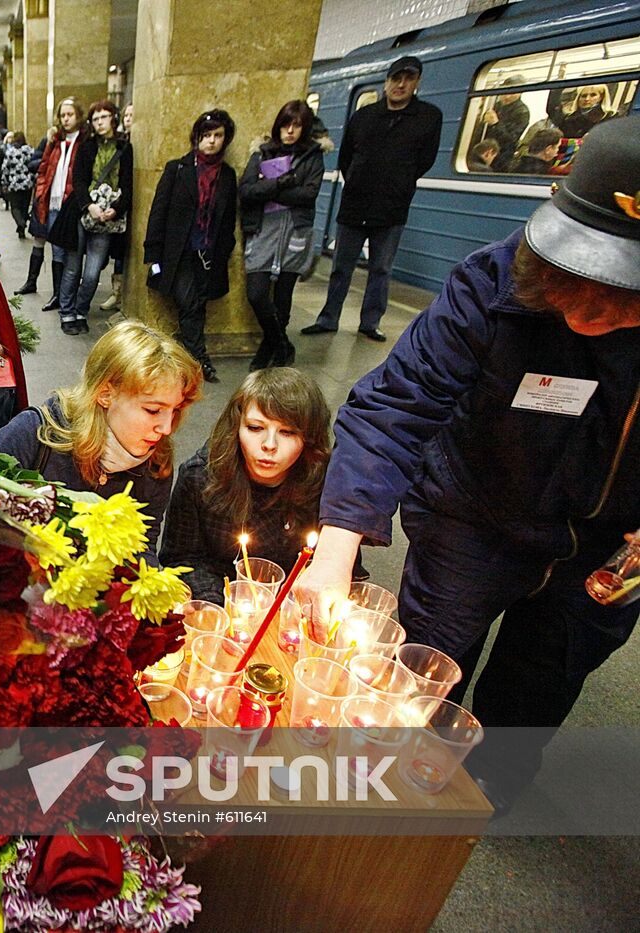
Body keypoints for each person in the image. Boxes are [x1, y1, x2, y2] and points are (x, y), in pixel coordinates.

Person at [295, 115, 640, 813]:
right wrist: (337, 545)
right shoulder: (490, 282)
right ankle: (396, 803)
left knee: (536, 692)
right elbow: (397, 405)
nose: (590, 313)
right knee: (423, 674)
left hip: (602, 554)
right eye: (577, 284)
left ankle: (483, 800)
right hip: (471, 519)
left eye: (619, 299)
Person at [0, 320, 203, 558]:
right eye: (153, 410)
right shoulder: (32, 435)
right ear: (105, 394)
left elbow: (142, 547)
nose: (166, 428)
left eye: (175, 410)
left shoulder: (157, 462)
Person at [160, 367, 345, 603]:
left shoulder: (327, 483)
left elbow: (336, 565)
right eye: (255, 428)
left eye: (287, 432)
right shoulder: (200, 478)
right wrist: (214, 602)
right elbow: (182, 559)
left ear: (309, 438)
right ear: (236, 426)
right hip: (221, 604)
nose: (269, 445)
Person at [302, 55, 442, 343]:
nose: (400, 84)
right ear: (386, 82)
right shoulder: (364, 116)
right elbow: (346, 157)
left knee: (381, 268)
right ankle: (328, 317)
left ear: (417, 82)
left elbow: (425, 160)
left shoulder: (428, 117)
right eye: (395, 78)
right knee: (342, 266)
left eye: (408, 79)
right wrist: (358, 181)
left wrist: (399, 182)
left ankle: (370, 322)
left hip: (392, 207)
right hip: (355, 203)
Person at [144, 109, 239, 384]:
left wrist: (225, 251)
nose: (211, 141)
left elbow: (228, 218)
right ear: (196, 137)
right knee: (189, 304)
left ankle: (189, 356)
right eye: (206, 135)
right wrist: (153, 253)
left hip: (209, 253)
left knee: (199, 304)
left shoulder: (227, 175)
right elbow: (158, 211)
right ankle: (198, 359)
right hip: (180, 253)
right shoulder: (179, 169)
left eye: (217, 135)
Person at [239, 99, 326, 369]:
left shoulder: (313, 156)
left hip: (295, 230)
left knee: (284, 295)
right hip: (264, 230)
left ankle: (268, 347)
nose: (289, 131)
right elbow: (248, 191)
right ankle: (281, 343)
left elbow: (309, 194)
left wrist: (272, 189)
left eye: (296, 126)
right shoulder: (262, 153)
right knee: (257, 292)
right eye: (286, 125)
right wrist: (281, 183)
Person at [48, 100, 134, 336]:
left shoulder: (125, 149)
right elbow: (79, 180)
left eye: (104, 117)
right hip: (83, 213)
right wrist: (90, 206)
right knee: (73, 266)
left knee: (93, 272)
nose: (99, 123)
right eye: (95, 119)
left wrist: (116, 209)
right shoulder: (86, 147)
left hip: (108, 219)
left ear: (113, 119)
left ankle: (81, 311)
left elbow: (128, 183)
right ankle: (67, 312)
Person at [19, 98, 87, 307]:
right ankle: (58, 295)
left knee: (73, 254)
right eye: (63, 115)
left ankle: (68, 296)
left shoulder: (84, 141)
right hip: (52, 201)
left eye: (70, 115)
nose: (66, 119)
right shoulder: (54, 140)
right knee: (56, 251)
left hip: (72, 203)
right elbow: (42, 167)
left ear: (78, 116)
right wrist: (41, 193)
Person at [100, 102, 137, 313]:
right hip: (112, 205)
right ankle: (117, 293)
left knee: (121, 253)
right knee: (116, 254)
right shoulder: (119, 144)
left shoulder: (130, 145)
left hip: (125, 206)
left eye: (133, 115)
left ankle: (119, 294)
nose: (128, 119)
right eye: (126, 115)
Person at [479, 74, 531, 159]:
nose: (507, 96)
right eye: (505, 91)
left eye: (513, 93)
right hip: (483, 150)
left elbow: (511, 140)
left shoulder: (522, 112)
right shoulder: (496, 105)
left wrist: (496, 124)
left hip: (501, 156)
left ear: (520, 92)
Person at [0, 131, 35, 242]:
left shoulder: (10, 152)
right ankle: (22, 229)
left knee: (15, 207)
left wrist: (4, 182)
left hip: (14, 184)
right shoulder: (29, 150)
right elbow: (34, 165)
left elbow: (5, 168)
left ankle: (20, 223)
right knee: (24, 207)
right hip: (27, 184)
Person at [548, 84, 614, 139]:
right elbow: (553, 112)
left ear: (601, 97)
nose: (587, 99)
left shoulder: (610, 117)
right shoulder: (568, 119)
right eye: (584, 96)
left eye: (593, 95)